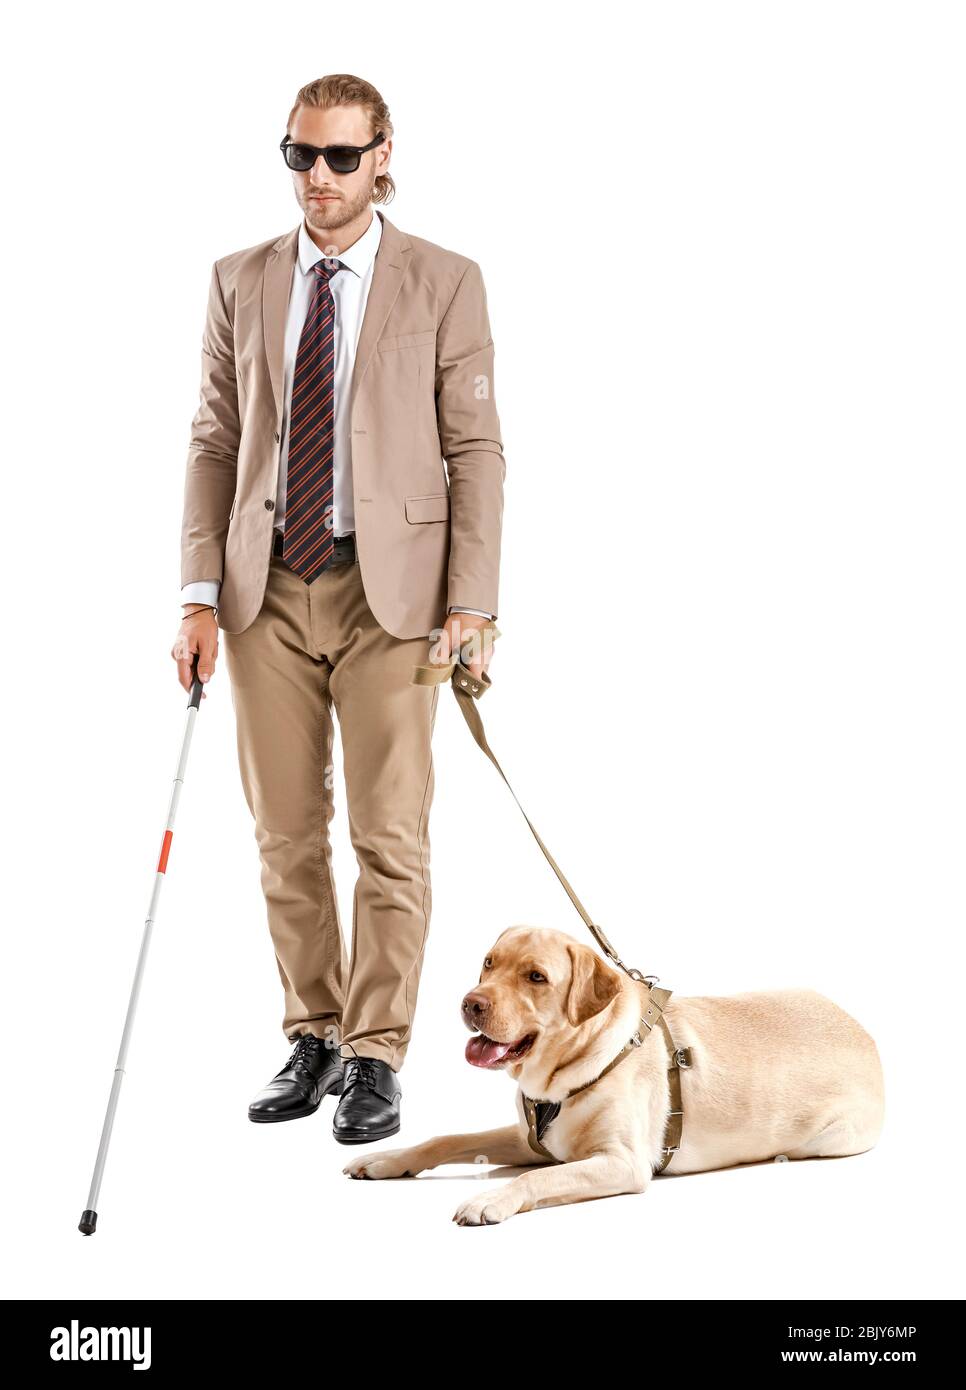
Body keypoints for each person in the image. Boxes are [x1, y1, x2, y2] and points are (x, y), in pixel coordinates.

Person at [171, 73, 504, 1144]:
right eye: (300, 156)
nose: (319, 179)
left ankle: (375, 1052)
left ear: (383, 154)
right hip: (264, 591)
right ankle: (313, 1030)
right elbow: (214, 440)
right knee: (284, 833)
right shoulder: (240, 279)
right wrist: (197, 597)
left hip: (392, 597)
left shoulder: (445, 281)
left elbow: (477, 452)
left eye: (341, 158)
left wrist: (473, 604)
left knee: (390, 834)